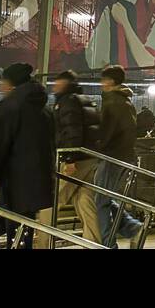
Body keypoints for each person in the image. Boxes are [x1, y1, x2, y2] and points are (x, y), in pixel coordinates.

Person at [0, 63, 55, 249]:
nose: (0, 86)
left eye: (2, 81)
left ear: (11, 84)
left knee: (2, 236)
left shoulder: (11, 108)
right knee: (7, 235)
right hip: (33, 187)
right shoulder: (43, 110)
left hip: (16, 187)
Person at [36, 71, 100, 246]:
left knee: (50, 200)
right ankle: (93, 243)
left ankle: (43, 244)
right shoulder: (84, 99)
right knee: (85, 201)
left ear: (65, 82)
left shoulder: (68, 101)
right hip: (90, 158)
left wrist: (70, 158)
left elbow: (72, 130)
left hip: (75, 160)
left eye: (57, 82)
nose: (54, 86)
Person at [94, 64, 143, 247]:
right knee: (104, 199)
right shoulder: (125, 101)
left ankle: (110, 243)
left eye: (104, 79)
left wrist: (98, 148)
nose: (101, 83)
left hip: (112, 156)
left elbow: (107, 132)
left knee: (101, 201)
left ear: (110, 81)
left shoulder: (113, 102)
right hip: (124, 155)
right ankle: (132, 228)